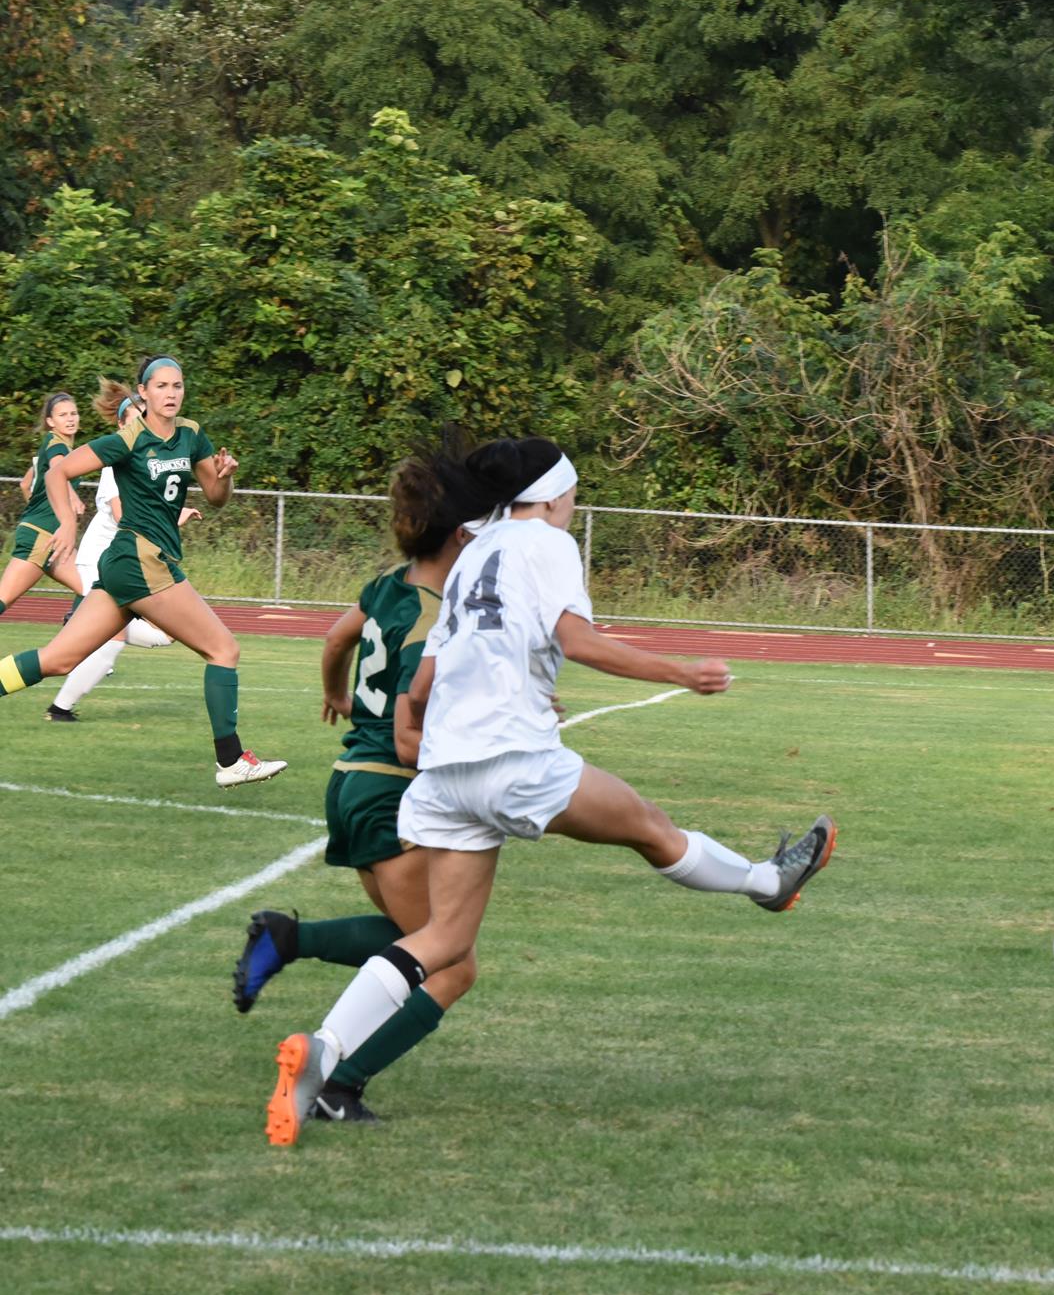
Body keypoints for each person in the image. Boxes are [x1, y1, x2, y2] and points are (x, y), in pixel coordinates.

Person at [263, 437, 835, 1146]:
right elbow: (581, 640)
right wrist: (679, 672)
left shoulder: (471, 552)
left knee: (441, 939)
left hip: (443, 777)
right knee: (650, 827)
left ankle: (325, 1048)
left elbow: (418, 686)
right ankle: (767, 881)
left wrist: (442, 721)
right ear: (556, 495)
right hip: (516, 763)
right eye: (573, 493)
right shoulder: (545, 543)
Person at [231, 445, 483, 1124]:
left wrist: (336, 695)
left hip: (350, 780)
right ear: (461, 535)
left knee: (413, 939)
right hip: (390, 791)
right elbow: (412, 727)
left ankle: (287, 937)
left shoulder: (388, 586)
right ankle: (340, 1083)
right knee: (452, 961)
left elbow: (338, 639)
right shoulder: (435, 618)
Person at [0, 357, 287, 787]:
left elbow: (216, 496)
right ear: (144, 392)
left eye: (178, 385)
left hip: (128, 564)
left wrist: (225, 477)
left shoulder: (191, 434)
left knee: (57, 660)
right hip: (141, 562)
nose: (171, 394)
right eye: (162, 386)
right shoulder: (129, 438)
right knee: (223, 650)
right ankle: (231, 761)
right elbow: (60, 472)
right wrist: (64, 522)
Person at [43, 394, 187, 723]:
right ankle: (60, 708)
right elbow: (127, 519)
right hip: (102, 560)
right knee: (114, 639)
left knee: (167, 634)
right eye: (135, 419)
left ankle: (81, 626)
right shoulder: (116, 466)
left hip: (127, 560)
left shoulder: (146, 463)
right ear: (121, 425)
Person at [0, 392, 89, 618]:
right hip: (40, 536)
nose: (70, 419)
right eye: (62, 415)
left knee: (89, 587)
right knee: (3, 599)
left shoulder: (61, 449)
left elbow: (24, 484)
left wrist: (45, 511)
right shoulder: (55, 443)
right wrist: (71, 497)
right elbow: (58, 470)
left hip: (51, 536)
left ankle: (69, 645)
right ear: (50, 422)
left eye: (73, 413)